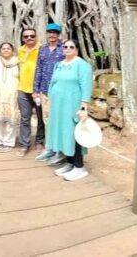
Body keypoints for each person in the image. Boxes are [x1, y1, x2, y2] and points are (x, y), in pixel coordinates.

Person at [46, 39, 93, 182]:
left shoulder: (82, 66)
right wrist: (49, 101)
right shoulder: (58, 65)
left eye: (71, 47)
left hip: (73, 105)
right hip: (59, 106)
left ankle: (79, 167)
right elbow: (52, 83)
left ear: (77, 49)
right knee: (63, 132)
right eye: (65, 46)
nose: (67, 49)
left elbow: (86, 87)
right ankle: (70, 162)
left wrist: (84, 108)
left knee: (75, 133)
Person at [32, 23, 66, 163]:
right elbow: (38, 69)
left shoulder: (64, 48)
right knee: (46, 120)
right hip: (44, 90)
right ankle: (49, 147)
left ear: (59, 34)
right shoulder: (42, 49)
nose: (52, 35)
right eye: (50, 32)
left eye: (55, 32)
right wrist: (36, 90)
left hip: (59, 90)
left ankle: (60, 149)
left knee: (57, 119)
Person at [16, 27, 41, 157]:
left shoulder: (42, 49)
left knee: (41, 118)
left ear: (36, 36)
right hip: (22, 89)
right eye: (26, 36)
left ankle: (40, 142)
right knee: (25, 118)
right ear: (22, 38)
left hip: (38, 89)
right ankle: (24, 144)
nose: (29, 38)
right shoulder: (20, 50)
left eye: (32, 36)